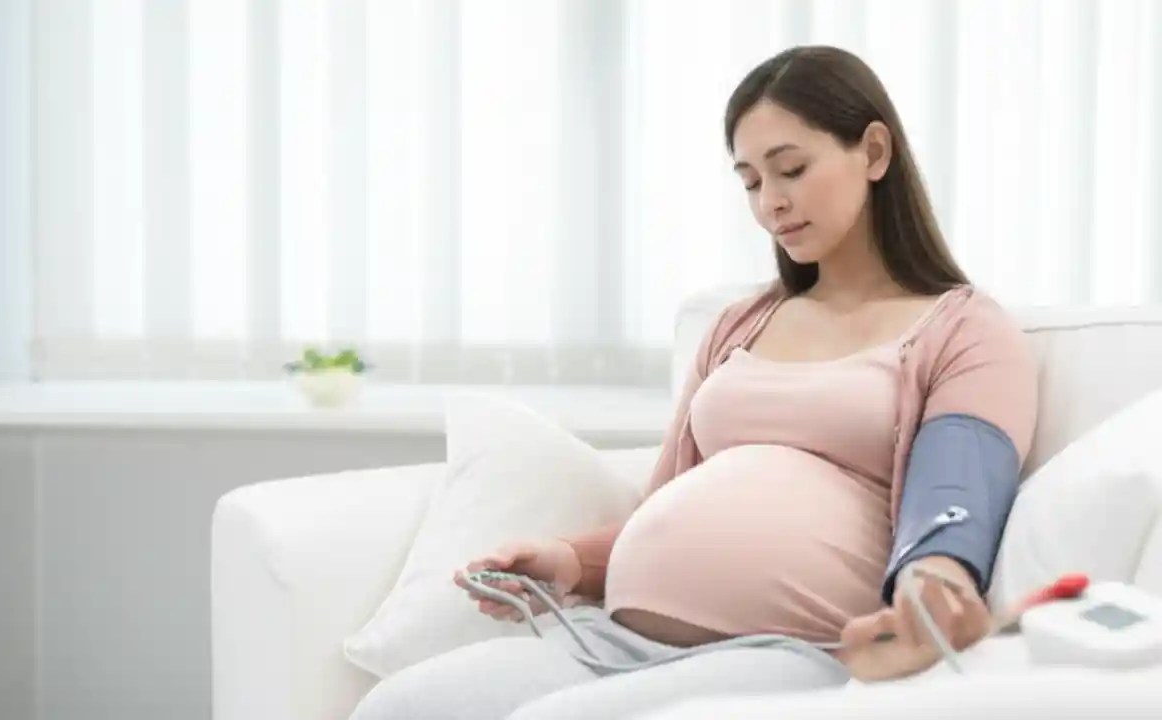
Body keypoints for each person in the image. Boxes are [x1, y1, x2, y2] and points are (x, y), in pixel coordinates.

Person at [350, 44, 1038, 720]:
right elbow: (669, 501)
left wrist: (931, 593)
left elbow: (954, 503)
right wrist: (568, 561)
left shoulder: (962, 329)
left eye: (790, 169)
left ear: (876, 152)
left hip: (793, 650)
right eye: (749, 182)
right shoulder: (741, 324)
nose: (770, 202)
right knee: (396, 706)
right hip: (616, 636)